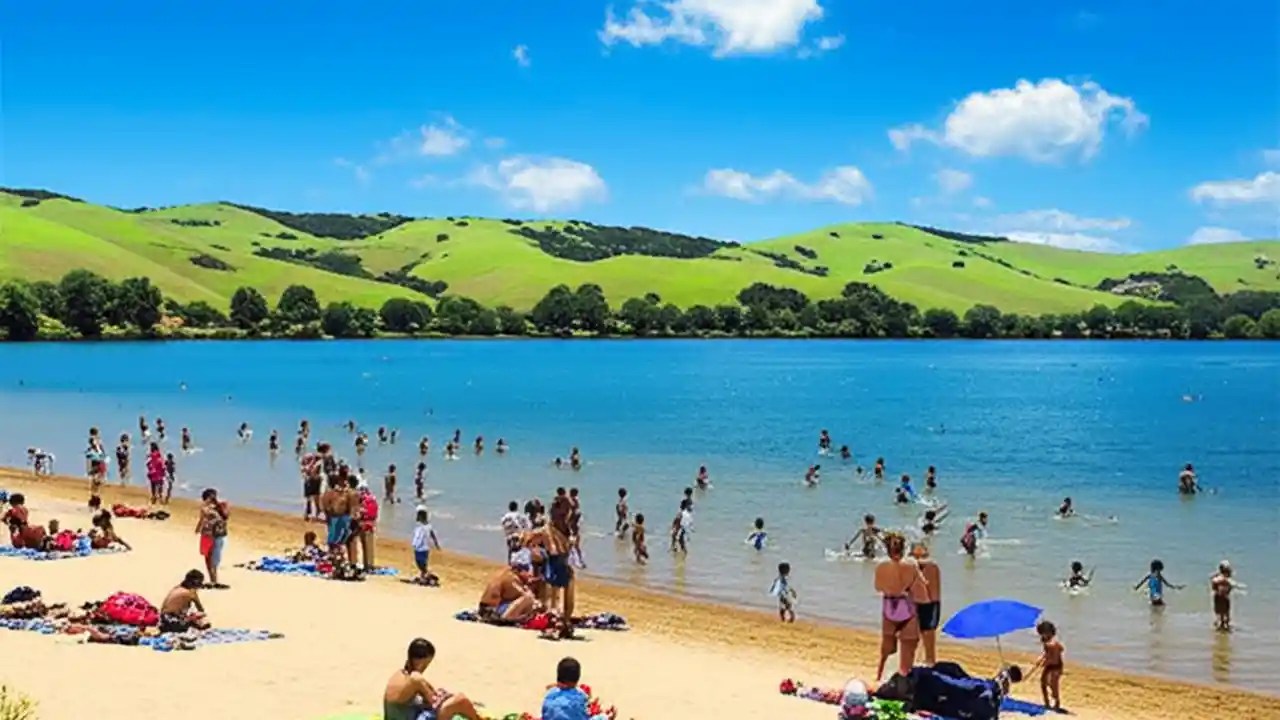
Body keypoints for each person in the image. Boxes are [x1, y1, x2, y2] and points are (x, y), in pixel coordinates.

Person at [873, 531, 929, 683]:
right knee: (908, 651)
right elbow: (923, 591)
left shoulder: (880, 566)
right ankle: (904, 684)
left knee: (886, 650)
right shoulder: (911, 564)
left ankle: (879, 679)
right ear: (904, 548)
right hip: (906, 606)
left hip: (889, 605)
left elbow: (878, 587)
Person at [384, 638, 482, 720]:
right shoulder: (415, 678)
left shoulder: (399, 674)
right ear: (420, 662)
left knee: (454, 701)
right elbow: (434, 702)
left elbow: (427, 690)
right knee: (459, 700)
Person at [912, 542, 942, 666]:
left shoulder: (931, 566)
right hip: (919, 603)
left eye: (922, 555)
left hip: (931, 604)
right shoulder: (913, 566)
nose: (920, 558)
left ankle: (929, 664)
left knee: (928, 638)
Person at [196, 489, 229, 589]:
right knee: (210, 559)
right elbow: (203, 519)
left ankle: (214, 580)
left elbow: (225, 515)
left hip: (212, 535)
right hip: (212, 535)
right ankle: (213, 580)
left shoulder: (220, 506)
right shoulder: (218, 506)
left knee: (211, 559)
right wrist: (197, 529)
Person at [1031, 620, 1065, 712]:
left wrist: (1045, 661)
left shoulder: (1053, 644)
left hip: (1055, 667)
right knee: (1043, 683)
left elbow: (1055, 656)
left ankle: (1057, 702)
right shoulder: (1046, 641)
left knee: (1053, 685)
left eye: (1042, 633)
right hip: (1050, 665)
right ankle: (1047, 703)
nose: (1041, 636)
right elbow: (1046, 652)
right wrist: (1042, 657)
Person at [412, 508, 441, 583]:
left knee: (421, 564)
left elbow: (432, 535)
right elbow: (432, 535)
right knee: (422, 564)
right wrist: (436, 543)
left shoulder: (425, 526)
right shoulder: (425, 526)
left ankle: (429, 576)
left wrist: (436, 543)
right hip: (423, 548)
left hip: (422, 548)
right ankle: (424, 576)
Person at [1210, 561, 1239, 632]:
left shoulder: (1221, 579)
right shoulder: (1221, 579)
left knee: (1222, 613)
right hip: (1221, 597)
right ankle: (1223, 626)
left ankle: (1222, 625)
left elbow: (1214, 587)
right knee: (1223, 614)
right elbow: (1214, 585)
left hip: (1221, 597)